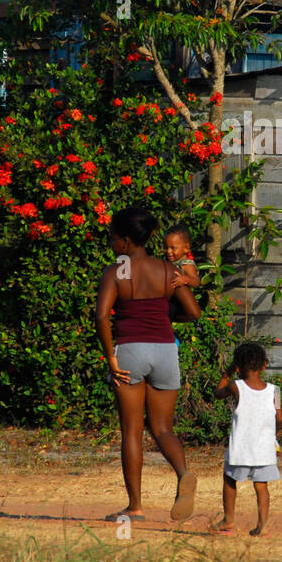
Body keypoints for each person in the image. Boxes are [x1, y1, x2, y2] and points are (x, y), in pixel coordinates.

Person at [96, 207, 201, 523]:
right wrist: (168, 319)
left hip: (130, 351)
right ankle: (183, 474)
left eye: (114, 239)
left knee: (132, 431)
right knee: (163, 428)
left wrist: (111, 358)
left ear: (126, 241)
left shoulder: (116, 272)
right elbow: (194, 313)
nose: (112, 245)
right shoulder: (168, 269)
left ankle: (135, 507)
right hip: (166, 350)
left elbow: (101, 316)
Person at [211, 341, 282, 537]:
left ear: (238, 367)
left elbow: (217, 394)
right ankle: (262, 526)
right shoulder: (274, 390)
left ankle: (229, 520)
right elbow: (280, 419)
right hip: (265, 450)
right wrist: (275, 436)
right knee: (262, 486)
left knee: (229, 479)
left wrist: (226, 374)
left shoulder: (236, 386)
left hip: (240, 449)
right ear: (264, 365)